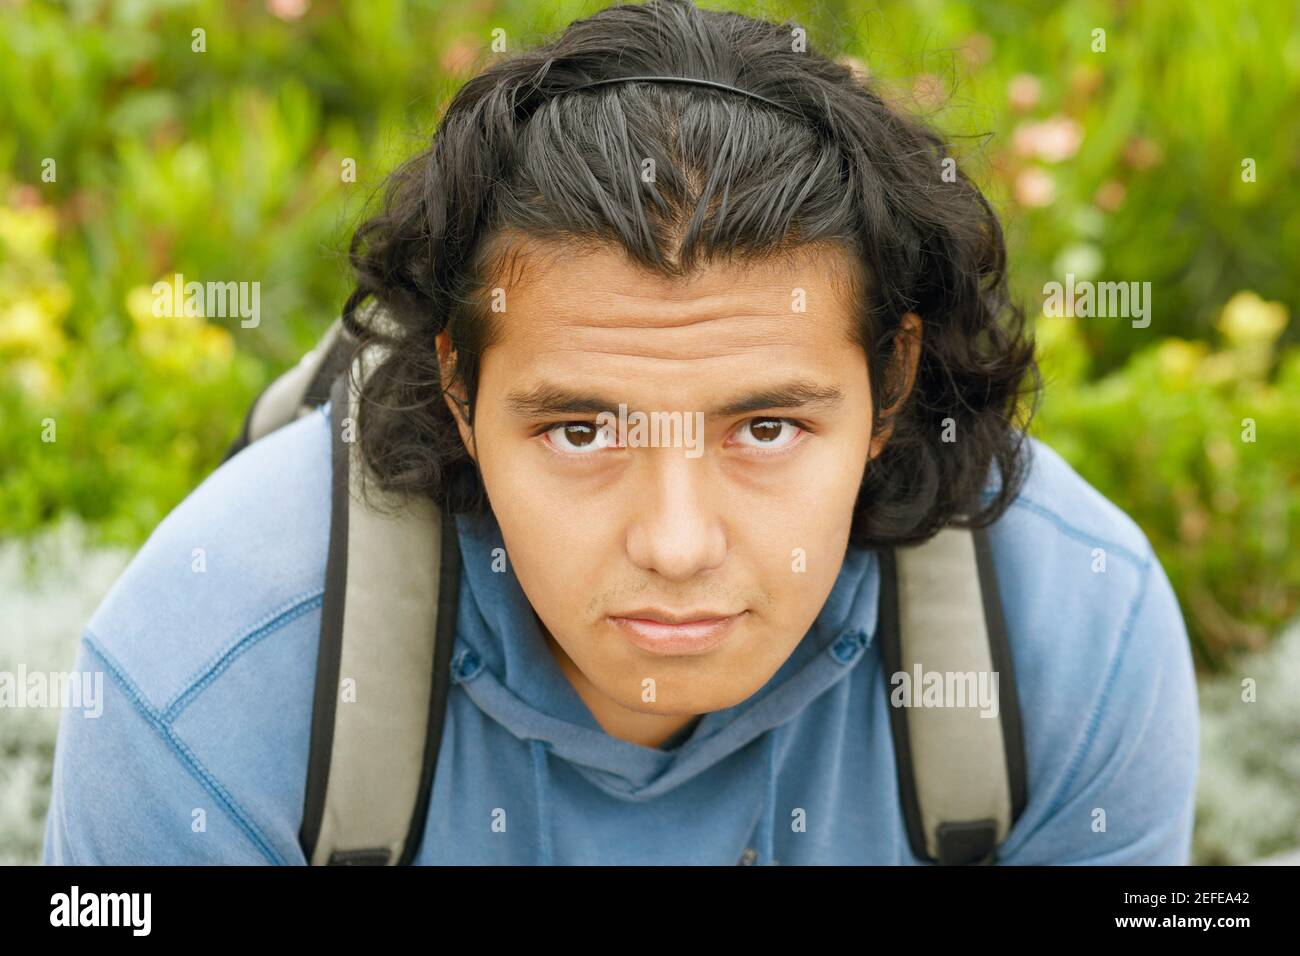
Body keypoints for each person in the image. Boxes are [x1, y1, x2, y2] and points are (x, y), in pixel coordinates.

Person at [42, 0, 1197, 865]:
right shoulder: (206, 684)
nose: (677, 541)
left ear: (892, 383)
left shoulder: (1071, 634)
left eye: (768, 425)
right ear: (457, 389)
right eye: (581, 430)